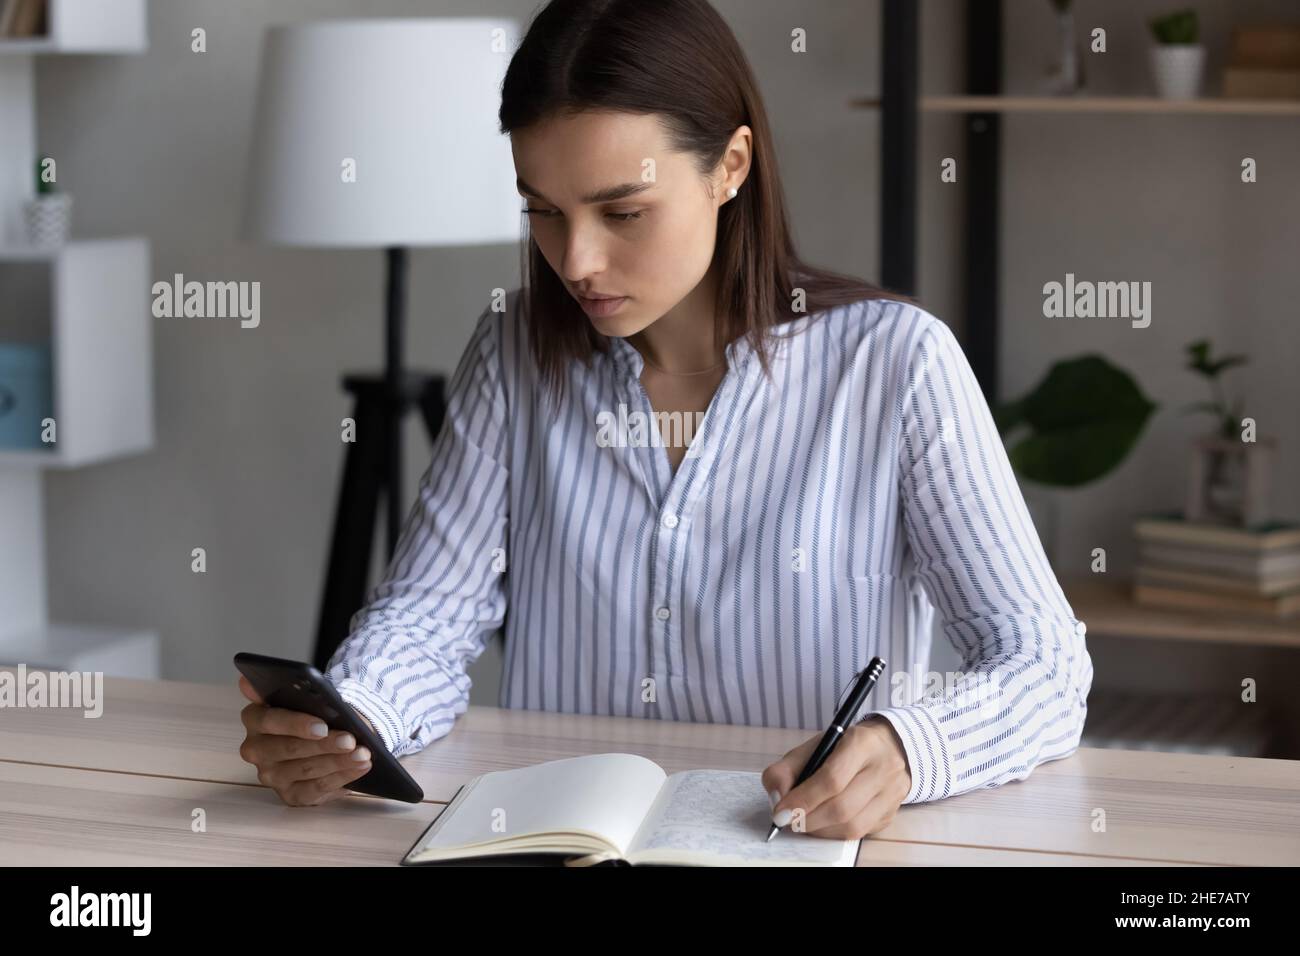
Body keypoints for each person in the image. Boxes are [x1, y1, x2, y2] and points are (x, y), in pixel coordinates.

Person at [238, 0, 1093, 837]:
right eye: (542, 210)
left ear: (731, 165)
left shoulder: (896, 364)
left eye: (622, 213)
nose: (575, 260)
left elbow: (1045, 666)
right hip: (555, 848)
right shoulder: (512, 356)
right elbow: (428, 615)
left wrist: (909, 747)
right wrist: (352, 725)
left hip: (790, 849)